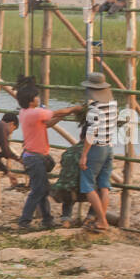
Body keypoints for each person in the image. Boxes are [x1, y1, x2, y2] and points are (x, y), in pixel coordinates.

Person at [17, 91, 83, 230]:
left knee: (42, 190)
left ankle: (47, 219)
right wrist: (74, 109)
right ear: (30, 101)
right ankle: (24, 221)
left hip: (33, 156)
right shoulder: (35, 113)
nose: (38, 98)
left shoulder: (24, 112)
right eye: (36, 96)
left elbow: (47, 124)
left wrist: (63, 115)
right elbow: (56, 112)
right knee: (38, 191)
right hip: (35, 158)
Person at [79, 72, 118, 233]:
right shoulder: (113, 104)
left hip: (96, 149)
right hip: (109, 147)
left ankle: (102, 220)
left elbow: (90, 134)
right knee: (104, 185)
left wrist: (84, 155)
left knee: (87, 185)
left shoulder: (94, 109)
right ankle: (100, 219)